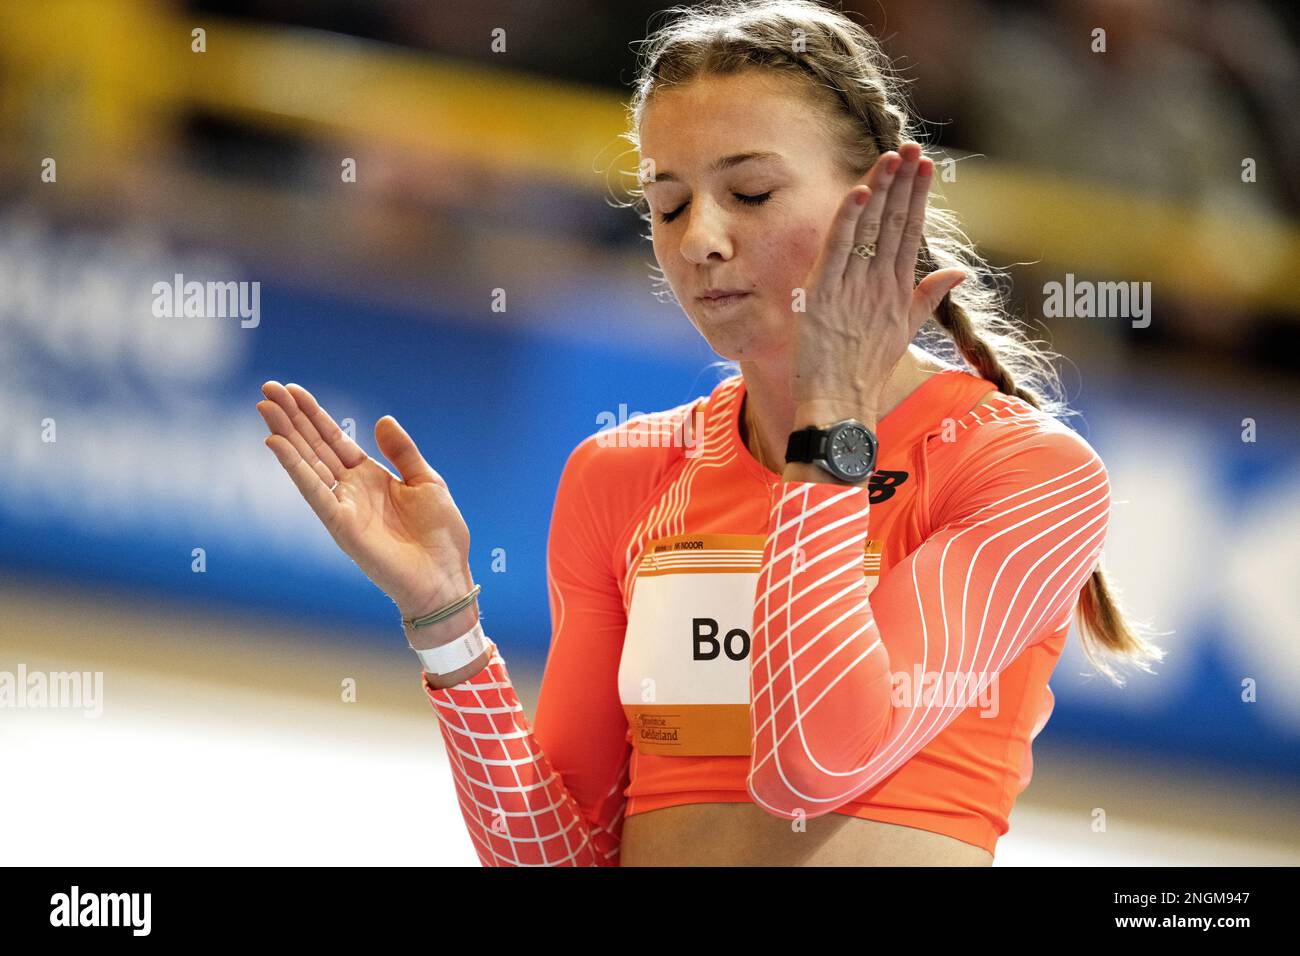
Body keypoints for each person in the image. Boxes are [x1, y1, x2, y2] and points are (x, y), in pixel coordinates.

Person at [255, 0, 1162, 866]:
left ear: (880, 201)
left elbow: (817, 761)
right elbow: (561, 860)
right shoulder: (624, 474)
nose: (702, 240)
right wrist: (444, 624)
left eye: (752, 191)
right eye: (669, 204)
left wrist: (831, 423)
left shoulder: (1019, 469)